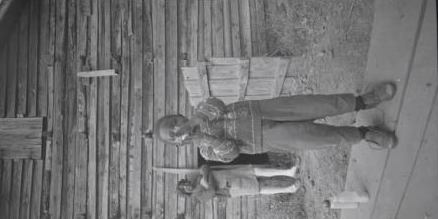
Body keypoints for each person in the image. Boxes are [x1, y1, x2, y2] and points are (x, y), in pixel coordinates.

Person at [150, 82, 399, 161]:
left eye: (173, 122)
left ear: (179, 116)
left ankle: (364, 101)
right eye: (172, 134)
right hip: (265, 139)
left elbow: (217, 103)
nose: (176, 129)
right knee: (320, 137)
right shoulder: (205, 151)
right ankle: (366, 134)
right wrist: (204, 137)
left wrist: (196, 120)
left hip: (264, 110)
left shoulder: (200, 110)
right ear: (178, 145)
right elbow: (231, 152)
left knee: (318, 104)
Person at [175, 161, 300, 208]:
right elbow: (212, 191)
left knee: (255, 171)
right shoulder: (200, 196)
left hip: (230, 174)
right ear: (187, 193)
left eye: (185, 183)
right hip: (230, 188)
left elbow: (205, 166)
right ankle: (289, 189)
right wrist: (208, 182)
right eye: (185, 188)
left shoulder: (197, 179)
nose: (187, 185)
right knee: (259, 188)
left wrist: (206, 180)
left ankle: (288, 172)